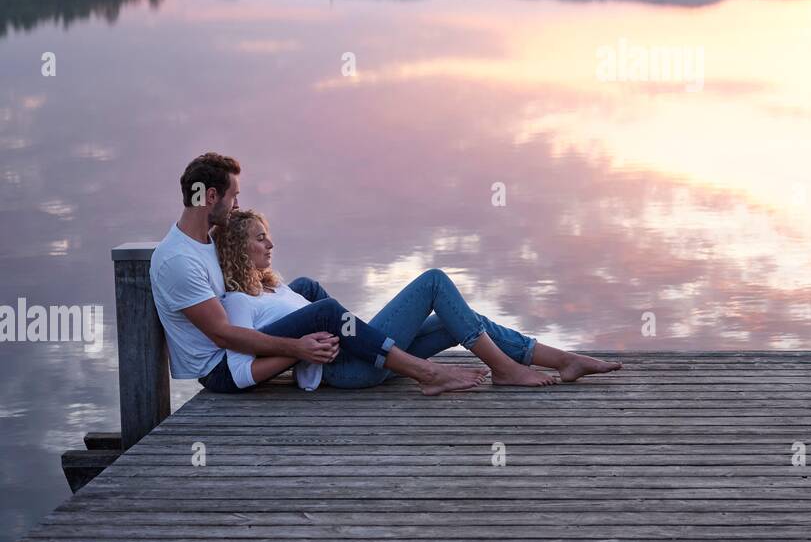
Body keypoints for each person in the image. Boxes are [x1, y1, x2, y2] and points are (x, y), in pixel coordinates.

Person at [149, 152, 487, 397]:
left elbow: (241, 282)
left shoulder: (206, 240)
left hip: (239, 344)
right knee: (325, 314)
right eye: (233, 197)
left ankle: (362, 344)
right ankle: (423, 372)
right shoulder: (178, 260)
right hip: (222, 369)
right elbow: (224, 335)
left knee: (305, 289)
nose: (237, 205)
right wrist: (298, 348)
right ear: (210, 197)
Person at [210, 207, 623, 391]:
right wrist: (301, 352)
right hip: (348, 373)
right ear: (237, 248)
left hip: (365, 356)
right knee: (434, 282)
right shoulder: (238, 302)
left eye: (267, 234)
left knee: (459, 317)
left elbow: (337, 320)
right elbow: (242, 373)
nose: (271, 243)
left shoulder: (276, 287)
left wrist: (335, 329)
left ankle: (558, 359)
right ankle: (505, 370)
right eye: (260, 238)